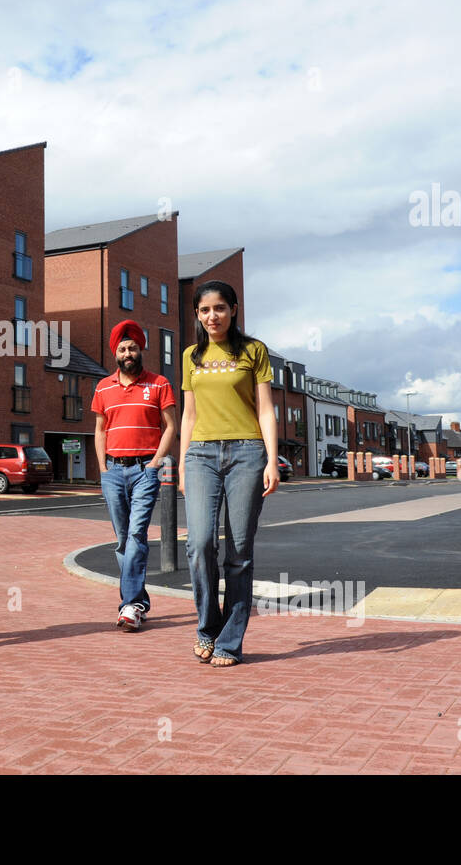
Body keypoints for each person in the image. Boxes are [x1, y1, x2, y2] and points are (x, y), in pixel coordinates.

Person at [178, 281, 278, 667]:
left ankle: (229, 641)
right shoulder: (191, 355)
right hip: (201, 454)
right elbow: (189, 414)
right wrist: (184, 461)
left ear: (234, 310)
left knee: (238, 553)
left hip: (247, 453)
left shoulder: (253, 351)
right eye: (204, 311)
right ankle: (207, 627)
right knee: (200, 543)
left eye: (219, 308)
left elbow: (266, 409)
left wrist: (271, 459)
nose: (211, 317)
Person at [93, 320, 176, 631]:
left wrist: (155, 462)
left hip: (144, 470)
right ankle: (138, 602)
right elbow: (100, 430)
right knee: (121, 541)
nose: (128, 353)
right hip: (113, 471)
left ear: (141, 351)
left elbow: (171, 427)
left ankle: (129, 605)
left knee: (136, 536)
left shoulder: (159, 384)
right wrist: (102, 468)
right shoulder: (103, 387)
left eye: (133, 348)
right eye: (122, 349)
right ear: (116, 353)